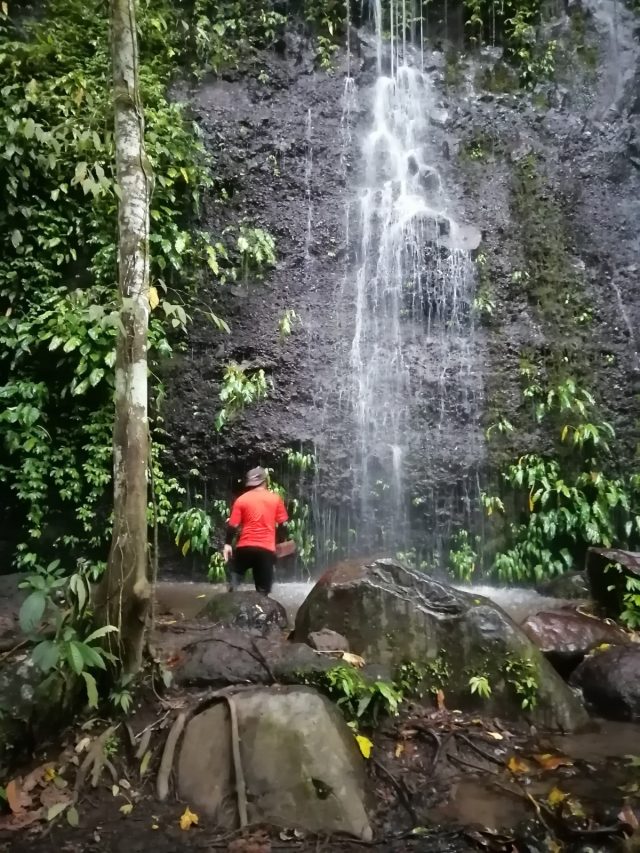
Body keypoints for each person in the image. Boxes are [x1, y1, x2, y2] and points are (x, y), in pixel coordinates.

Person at [223, 466, 288, 595]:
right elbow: (283, 524)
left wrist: (227, 544)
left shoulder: (241, 500)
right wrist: (281, 542)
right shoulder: (275, 499)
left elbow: (233, 525)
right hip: (266, 550)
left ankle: (229, 598)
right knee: (263, 592)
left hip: (244, 548)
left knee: (234, 581)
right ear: (265, 481)